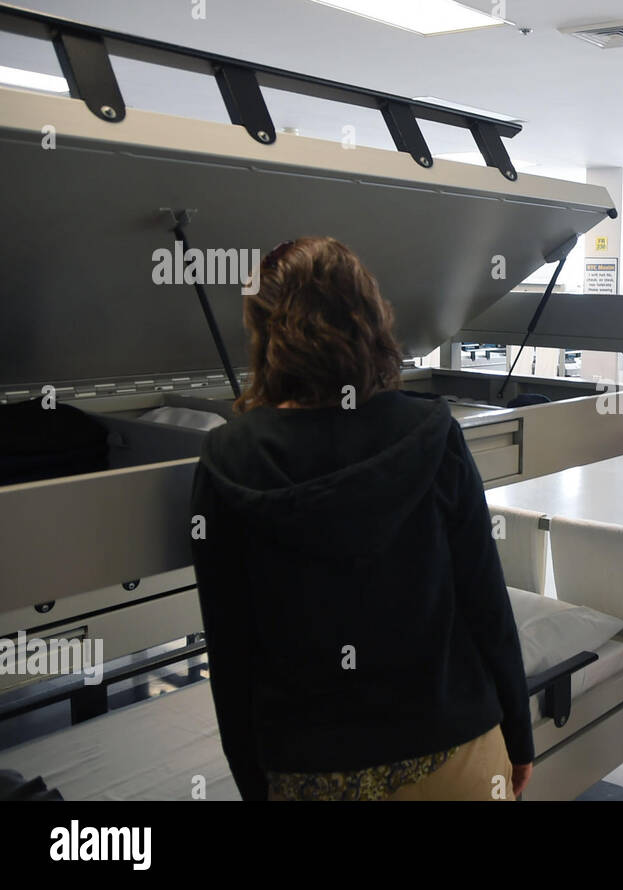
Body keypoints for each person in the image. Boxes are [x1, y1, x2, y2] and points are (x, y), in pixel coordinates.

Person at [190, 237, 534, 801]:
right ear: (370, 317)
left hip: (313, 771)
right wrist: (518, 735)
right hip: (455, 751)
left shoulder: (228, 461)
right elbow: (485, 601)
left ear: (265, 333)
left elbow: (230, 650)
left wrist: (255, 784)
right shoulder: (430, 431)